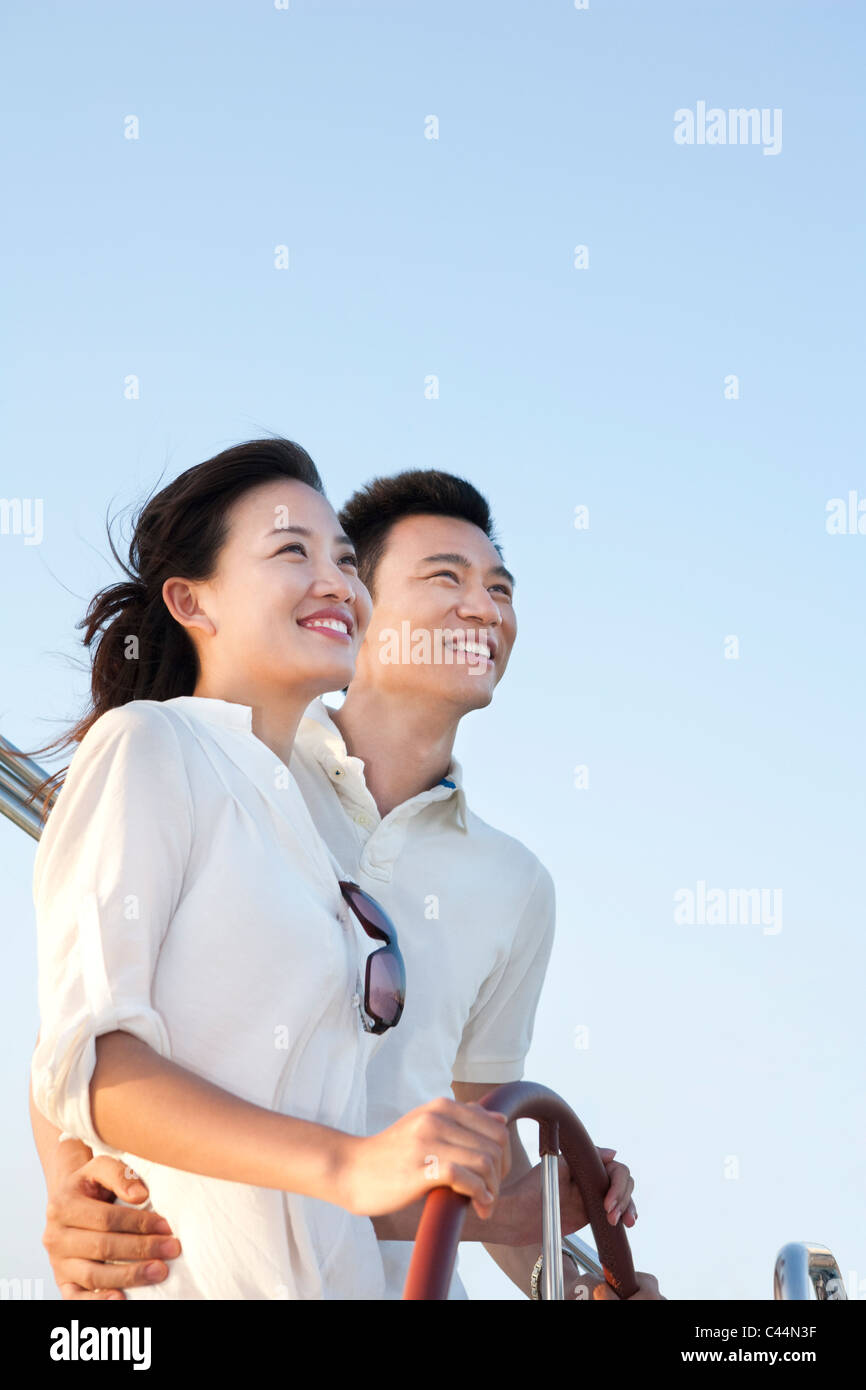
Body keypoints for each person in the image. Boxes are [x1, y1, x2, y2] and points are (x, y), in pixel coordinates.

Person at [32, 450, 664, 1301]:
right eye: (447, 577)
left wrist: (542, 1241)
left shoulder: (500, 884)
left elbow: (378, 1145)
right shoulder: (181, 753)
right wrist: (68, 1179)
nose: (484, 607)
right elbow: (84, 1039)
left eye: (503, 588)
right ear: (192, 601)